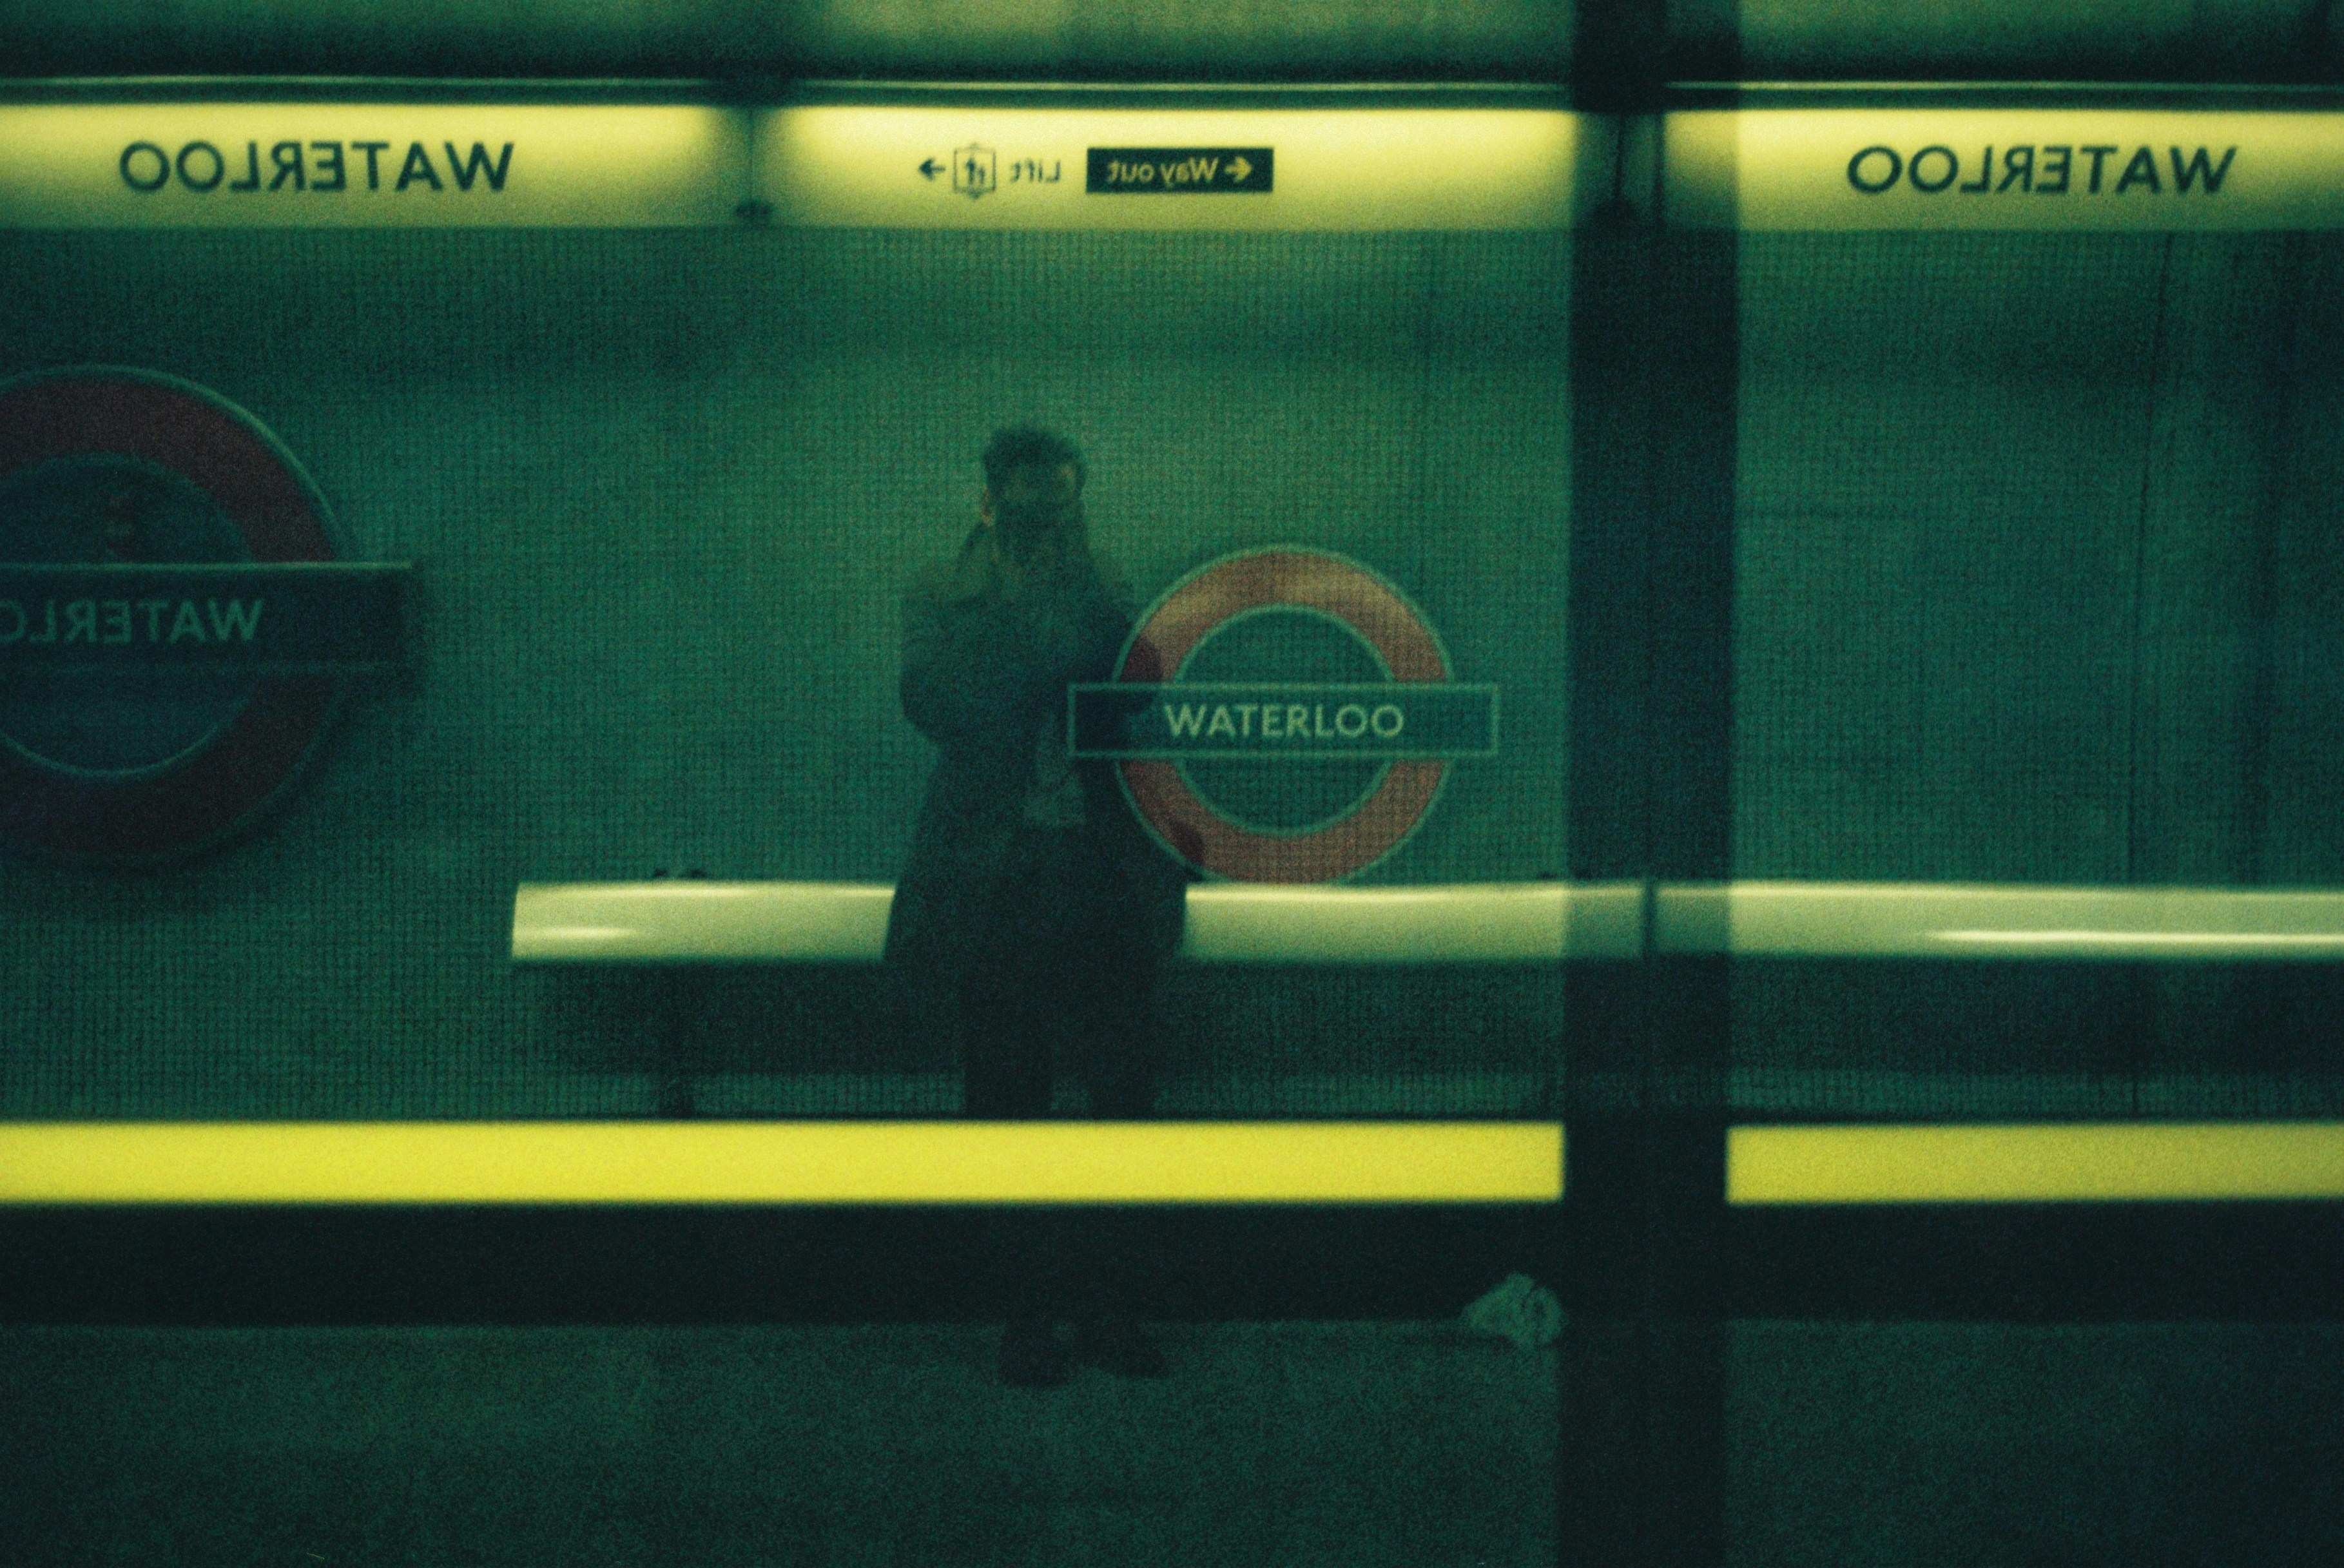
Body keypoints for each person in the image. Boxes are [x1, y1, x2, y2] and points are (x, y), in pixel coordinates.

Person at [885, 426, 1190, 1387]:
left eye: (1056, 501)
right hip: (1000, 878)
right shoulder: (942, 589)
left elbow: (1133, 692)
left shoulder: (1108, 589)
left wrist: (1074, 587)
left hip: (1100, 872)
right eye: (1024, 500)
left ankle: (1110, 1309)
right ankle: (1025, 1315)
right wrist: (1016, 605)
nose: (1040, 518)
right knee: (1006, 1102)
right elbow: (934, 703)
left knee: (1120, 1102)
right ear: (988, 500)